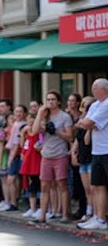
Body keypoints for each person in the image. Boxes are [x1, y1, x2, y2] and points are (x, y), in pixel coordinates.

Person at [30, 91, 72, 223]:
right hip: (46, 155)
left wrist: (56, 131)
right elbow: (35, 131)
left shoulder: (65, 117)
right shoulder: (45, 117)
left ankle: (64, 214)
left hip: (60, 154)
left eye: (53, 99)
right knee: (45, 186)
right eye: (48, 99)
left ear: (59, 101)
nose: (51, 102)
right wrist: (39, 113)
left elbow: (69, 136)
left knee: (62, 184)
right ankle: (42, 214)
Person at [77, 78, 108, 230]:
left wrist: (88, 122)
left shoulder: (107, 104)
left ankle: (102, 217)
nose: (93, 92)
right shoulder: (95, 105)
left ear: (103, 89)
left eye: (95, 89)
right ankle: (99, 217)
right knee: (96, 185)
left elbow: (87, 123)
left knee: (101, 185)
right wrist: (87, 122)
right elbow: (81, 122)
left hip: (107, 149)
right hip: (97, 150)